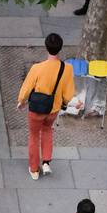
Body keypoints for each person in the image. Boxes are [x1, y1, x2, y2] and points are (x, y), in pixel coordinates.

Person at [17, 32, 76, 180]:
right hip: (53, 109)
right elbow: (68, 94)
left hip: (37, 109)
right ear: (60, 48)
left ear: (46, 47)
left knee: (34, 135)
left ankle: (34, 169)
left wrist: (21, 101)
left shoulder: (37, 68)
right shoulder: (67, 69)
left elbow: (26, 87)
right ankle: (46, 161)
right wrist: (64, 103)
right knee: (48, 130)